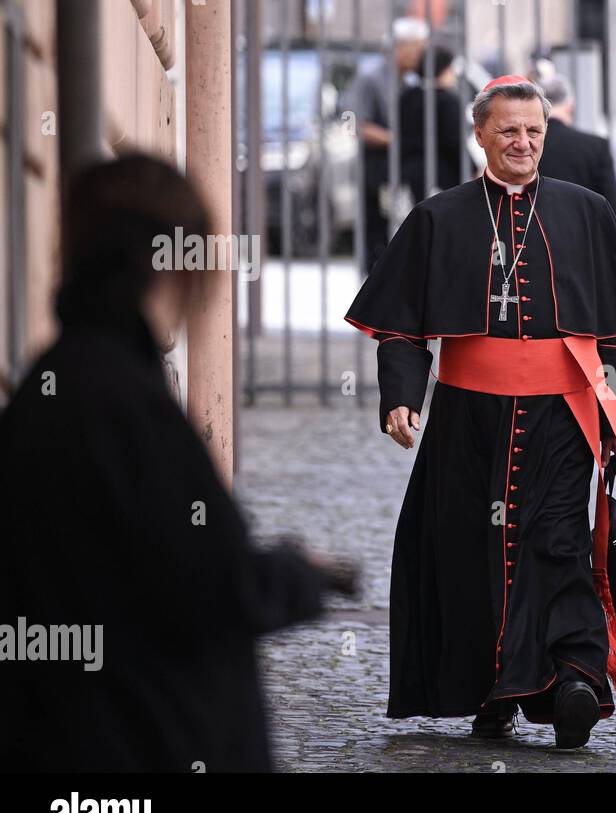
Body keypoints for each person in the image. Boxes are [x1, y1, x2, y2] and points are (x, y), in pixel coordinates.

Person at [343, 76, 616, 750]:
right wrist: (402, 395)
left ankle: (573, 679)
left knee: (555, 542)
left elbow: (611, 333)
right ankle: (493, 692)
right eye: (508, 131)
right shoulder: (440, 217)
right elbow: (403, 328)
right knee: (472, 552)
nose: (523, 143)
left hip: (565, 416)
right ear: (480, 136)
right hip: (469, 422)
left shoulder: (586, 212)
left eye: (533, 131)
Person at [0, 154, 355, 771]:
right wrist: (297, 574)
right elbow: (201, 581)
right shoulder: (117, 397)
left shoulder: (65, 377)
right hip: (131, 743)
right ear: (177, 263)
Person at [341, 16, 429, 272]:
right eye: (417, 48)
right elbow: (352, 122)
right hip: (377, 166)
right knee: (376, 232)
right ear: (400, 48)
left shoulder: (413, 81)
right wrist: (394, 139)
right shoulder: (370, 78)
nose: (421, 55)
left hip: (405, 166)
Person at [535, 75, 616, 236]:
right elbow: (611, 206)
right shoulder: (595, 146)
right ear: (571, 106)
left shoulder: (526, 146)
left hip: (535, 237)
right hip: (584, 238)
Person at [398, 44, 464, 201]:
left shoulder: (406, 97)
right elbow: (455, 142)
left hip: (408, 175)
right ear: (443, 70)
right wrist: (472, 169)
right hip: (442, 178)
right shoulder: (447, 101)